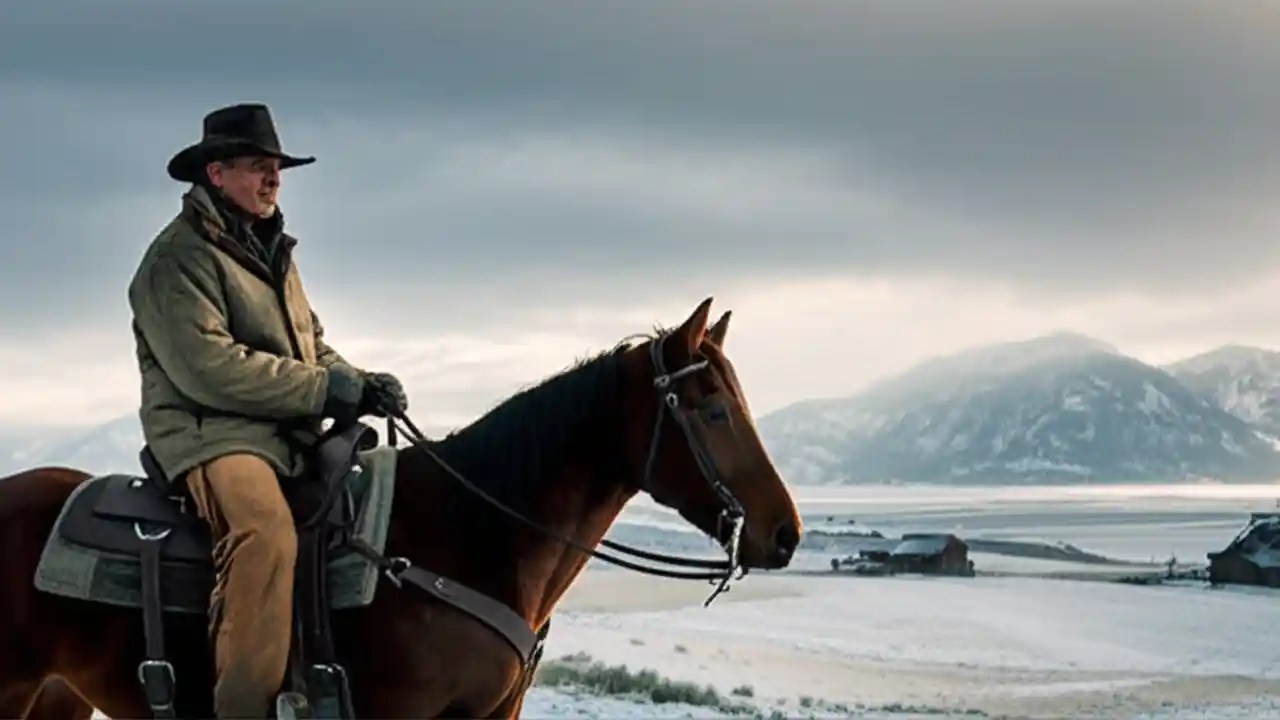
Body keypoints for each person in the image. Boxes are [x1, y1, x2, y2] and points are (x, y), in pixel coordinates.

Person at [127, 102, 408, 718]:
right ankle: (244, 709)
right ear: (216, 173)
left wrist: (360, 381)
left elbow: (310, 342)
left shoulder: (272, 248)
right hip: (211, 432)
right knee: (266, 535)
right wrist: (323, 392)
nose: (273, 179)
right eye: (258, 167)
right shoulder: (175, 259)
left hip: (284, 431)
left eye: (276, 167)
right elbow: (210, 368)